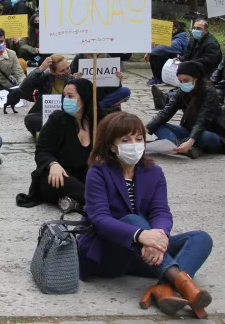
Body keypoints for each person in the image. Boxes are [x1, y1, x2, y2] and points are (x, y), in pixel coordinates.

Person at [78, 112, 214, 318]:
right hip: (107, 252)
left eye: (138, 139)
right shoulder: (98, 172)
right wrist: (140, 234)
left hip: (144, 252)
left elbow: (161, 211)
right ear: (111, 145)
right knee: (134, 220)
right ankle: (183, 285)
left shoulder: (154, 172)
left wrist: (159, 235)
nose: (134, 144)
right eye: (126, 140)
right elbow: (100, 219)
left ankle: (164, 288)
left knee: (201, 238)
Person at [17, 77, 101, 210]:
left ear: (85, 98)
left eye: (70, 96)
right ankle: (98, 202)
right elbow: (42, 150)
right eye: (64, 96)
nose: (66, 99)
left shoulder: (99, 121)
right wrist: (52, 164)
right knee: (61, 181)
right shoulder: (57, 119)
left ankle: (78, 200)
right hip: (59, 175)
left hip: (87, 175)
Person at [146, 61, 225, 159]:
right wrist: (143, 129)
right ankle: (180, 147)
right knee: (156, 125)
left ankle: (182, 144)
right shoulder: (181, 92)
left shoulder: (209, 93)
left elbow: (203, 120)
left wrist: (190, 141)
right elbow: (166, 112)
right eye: (180, 81)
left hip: (214, 134)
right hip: (190, 131)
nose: (183, 84)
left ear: (196, 79)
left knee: (204, 136)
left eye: (186, 80)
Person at [151, 19, 221, 109]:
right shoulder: (193, 39)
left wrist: (190, 64)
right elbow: (188, 55)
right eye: (194, 28)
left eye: (199, 28)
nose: (195, 30)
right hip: (193, 68)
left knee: (188, 83)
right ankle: (167, 97)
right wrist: (180, 59)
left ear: (206, 30)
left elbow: (208, 61)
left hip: (205, 72)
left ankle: (167, 97)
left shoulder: (211, 44)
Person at [17, 54, 71, 137]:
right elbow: (23, 90)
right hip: (47, 116)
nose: (67, 72)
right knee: (30, 119)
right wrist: (40, 69)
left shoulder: (73, 80)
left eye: (68, 68)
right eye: (62, 71)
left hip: (66, 116)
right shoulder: (45, 77)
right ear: (53, 71)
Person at [144, 21, 189, 86]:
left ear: (174, 29)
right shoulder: (175, 37)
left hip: (180, 64)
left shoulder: (179, 40)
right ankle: (157, 77)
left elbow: (162, 48)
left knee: (157, 54)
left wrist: (149, 52)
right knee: (155, 53)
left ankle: (161, 79)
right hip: (176, 62)